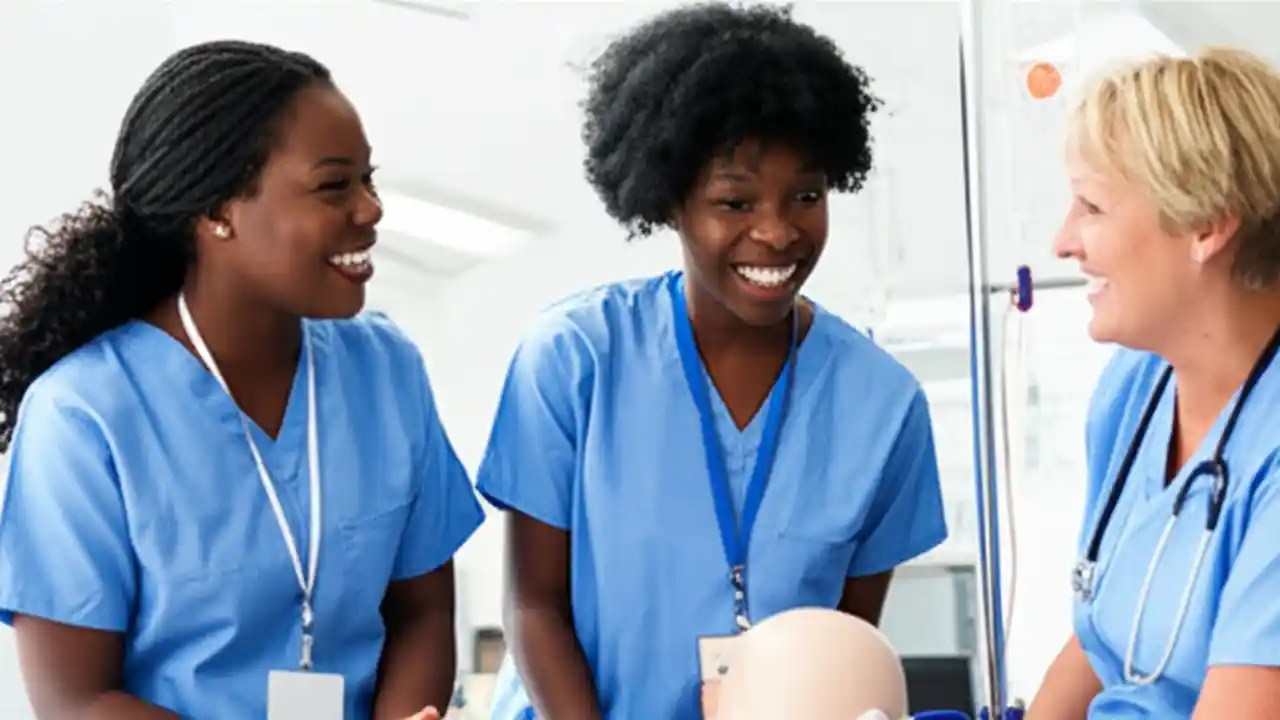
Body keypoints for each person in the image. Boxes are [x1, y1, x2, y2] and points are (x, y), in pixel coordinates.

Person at [475, 4, 948, 719]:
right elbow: (536, 608)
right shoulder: (576, 359)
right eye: (734, 200)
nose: (777, 230)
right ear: (670, 201)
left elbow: (841, 646)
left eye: (807, 195)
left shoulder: (883, 406)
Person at [0, 40, 483, 719]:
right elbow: (75, 699)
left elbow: (422, 614)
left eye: (370, 180)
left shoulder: (386, 371)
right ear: (217, 211)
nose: (371, 210)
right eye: (334, 185)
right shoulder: (84, 415)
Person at [1029, 46, 1280, 718]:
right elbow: (1102, 639)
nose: (1062, 241)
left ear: (1206, 224)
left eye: (1091, 207)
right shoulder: (1134, 390)